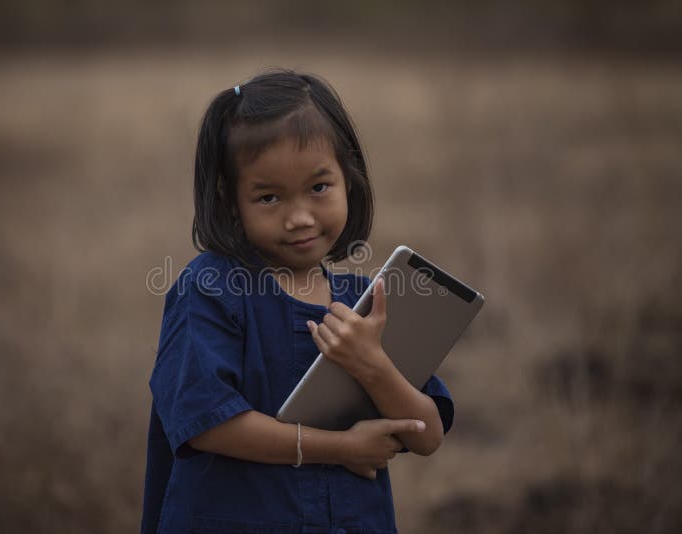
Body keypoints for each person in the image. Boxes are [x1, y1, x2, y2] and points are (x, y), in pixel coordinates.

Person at [141, 69, 454, 534]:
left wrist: (372, 364)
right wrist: (339, 448)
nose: (300, 217)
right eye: (269, 197)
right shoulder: (210, 289)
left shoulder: (366, 302)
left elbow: (427, 435)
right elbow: (204, 423)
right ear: (230, 202)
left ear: (349, 180)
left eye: (319, 188)